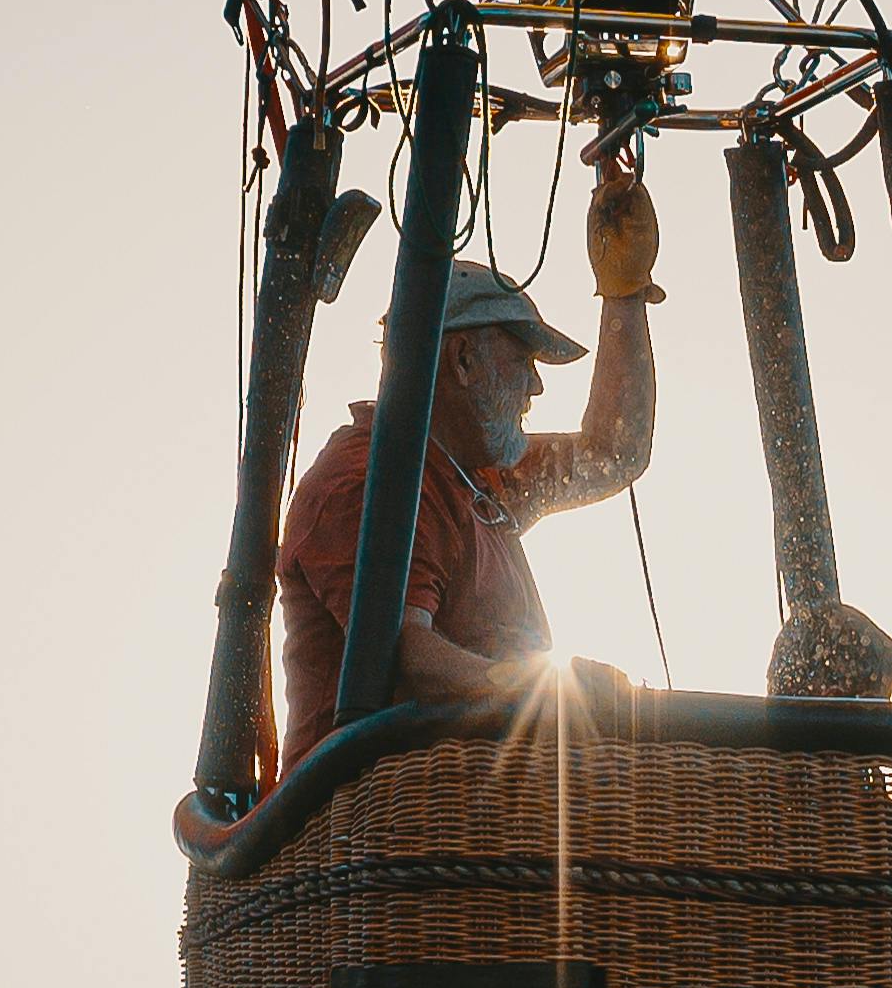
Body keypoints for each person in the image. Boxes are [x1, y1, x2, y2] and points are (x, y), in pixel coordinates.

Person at [275, 166, 661, 740]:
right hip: (385, 816)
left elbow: (613, 452)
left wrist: (624, 293)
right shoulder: (362, 482)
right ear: (461, 361)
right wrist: (552, 695)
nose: (536, 388)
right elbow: (414, 662)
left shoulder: (475, 480)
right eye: (522, 361)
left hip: (469, 807)